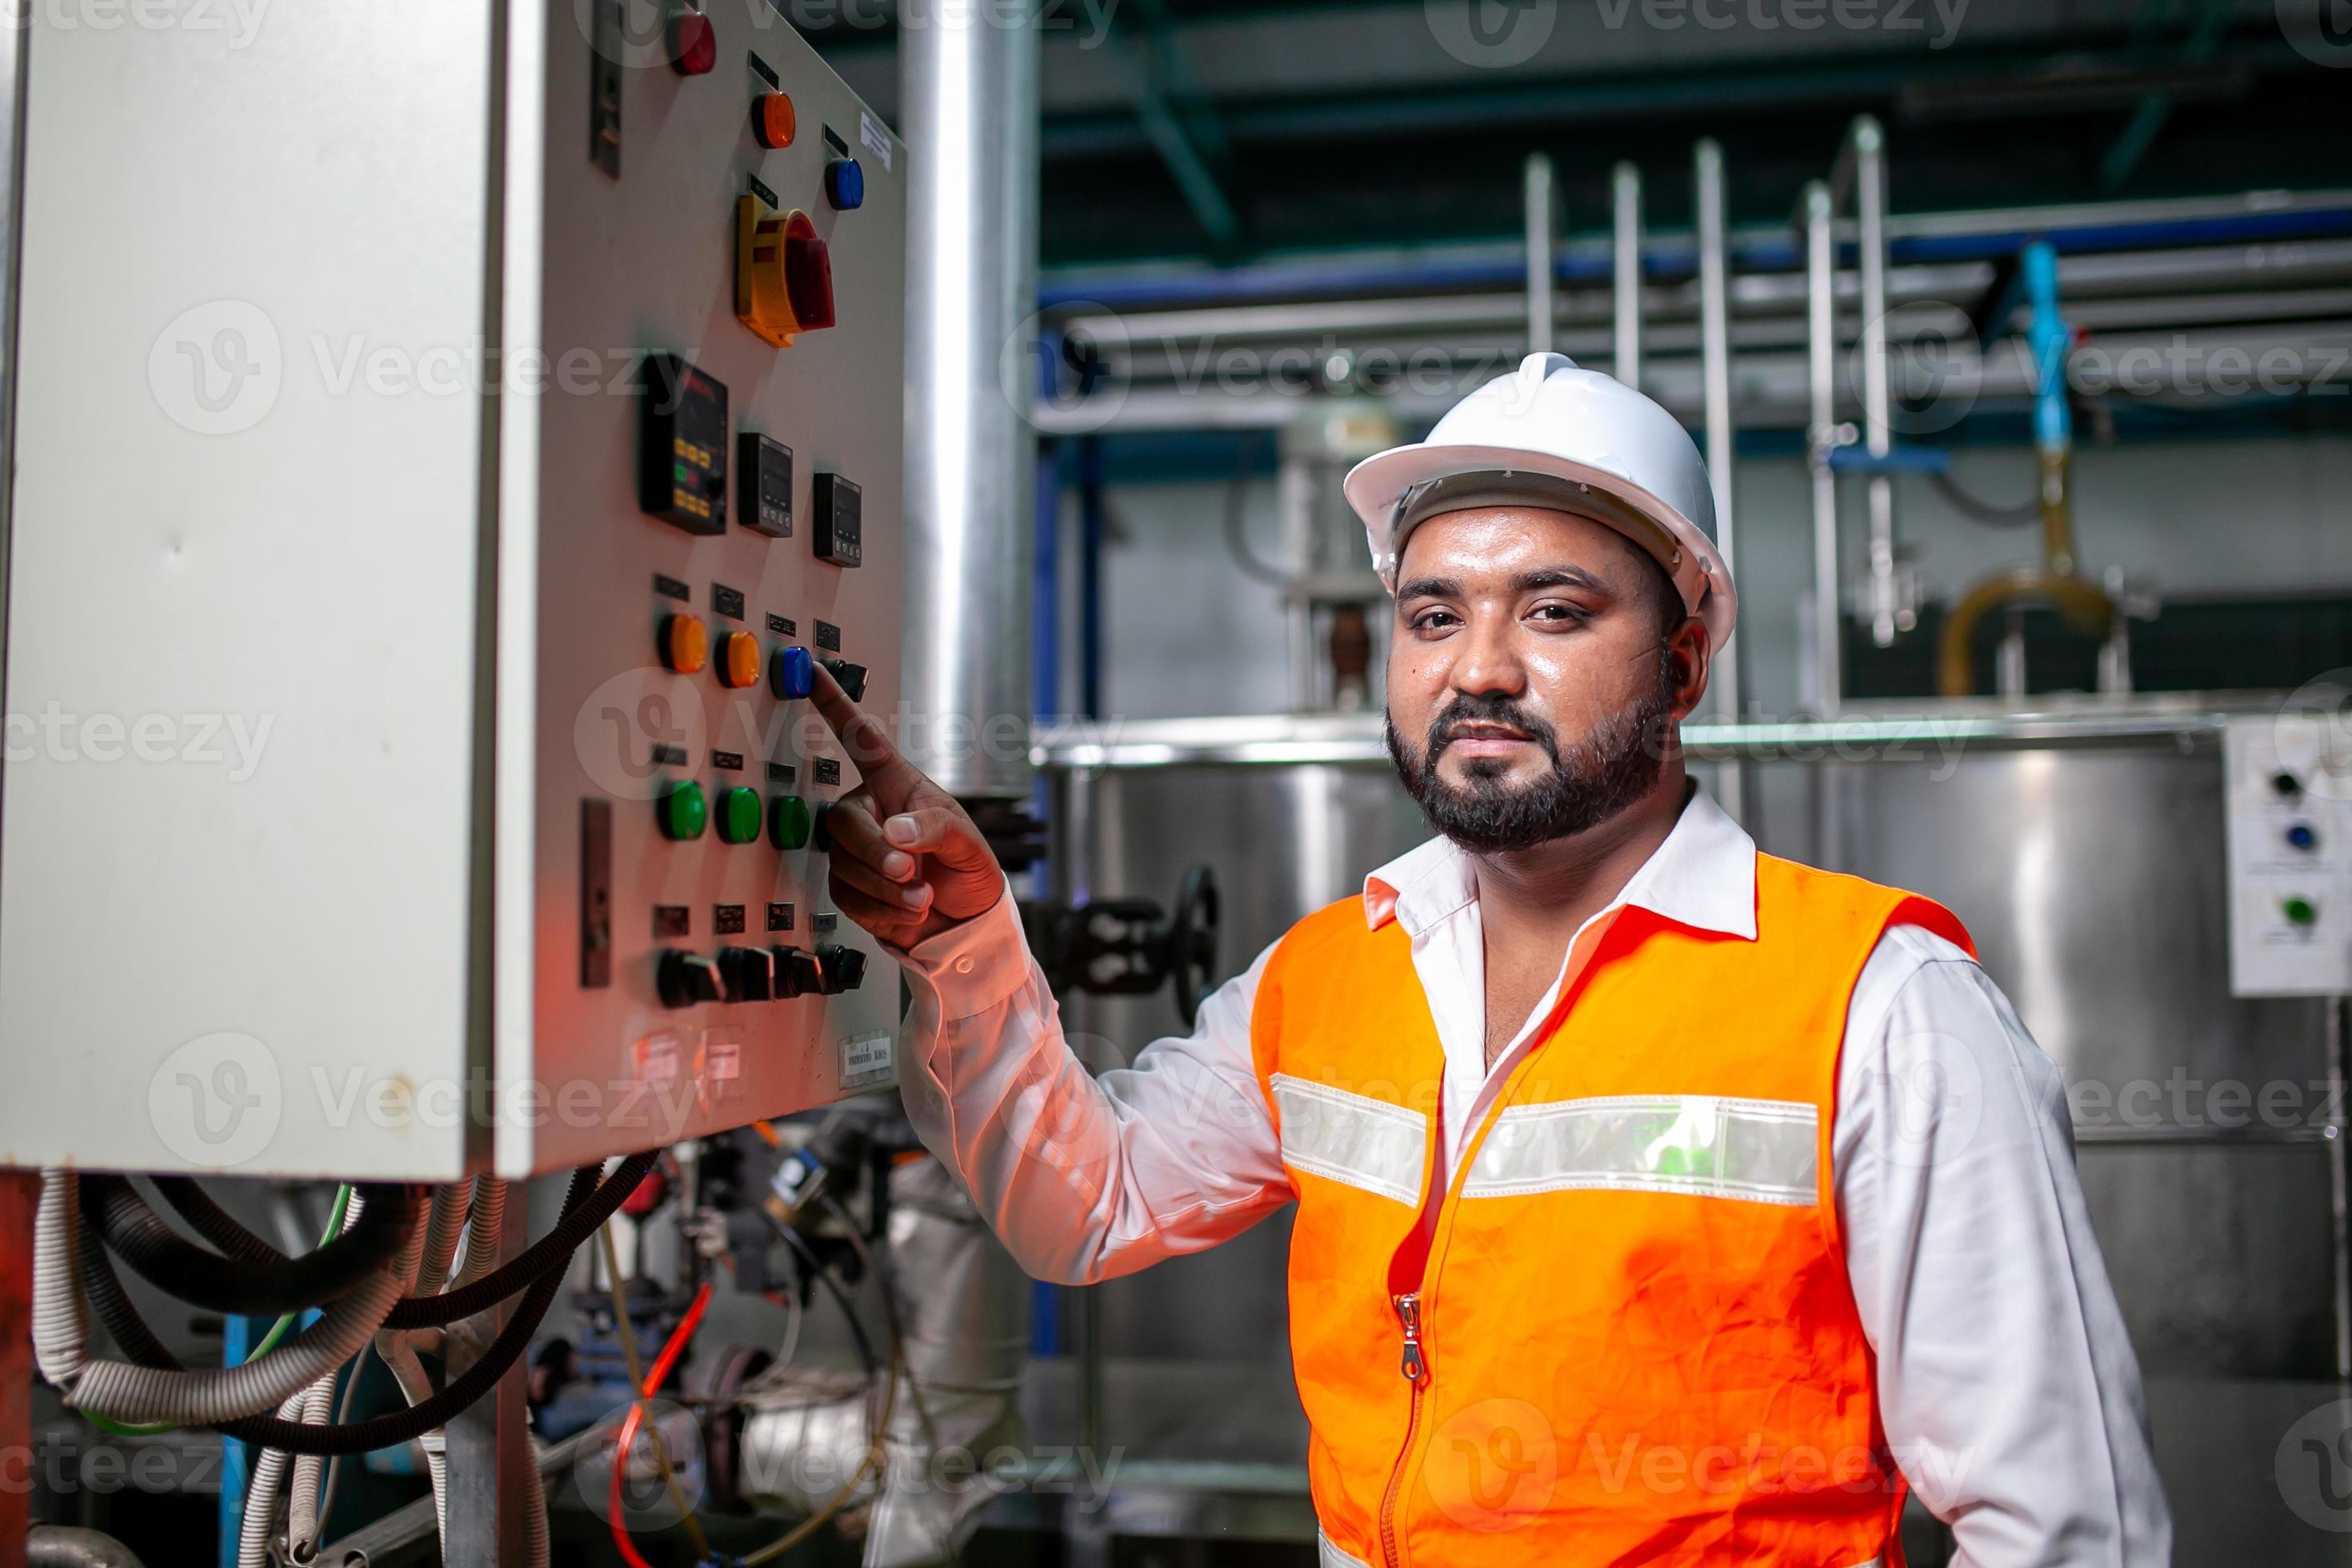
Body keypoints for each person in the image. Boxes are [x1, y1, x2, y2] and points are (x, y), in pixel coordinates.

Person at [807, 353, 2170, 1566]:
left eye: (1557, 613)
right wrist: (963, 946)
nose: (1481, 670)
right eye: (1435, 615)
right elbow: (1083, 1207)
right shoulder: (1334, 973)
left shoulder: (1878, 1008)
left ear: (1684, 666)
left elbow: (2067, 1525)